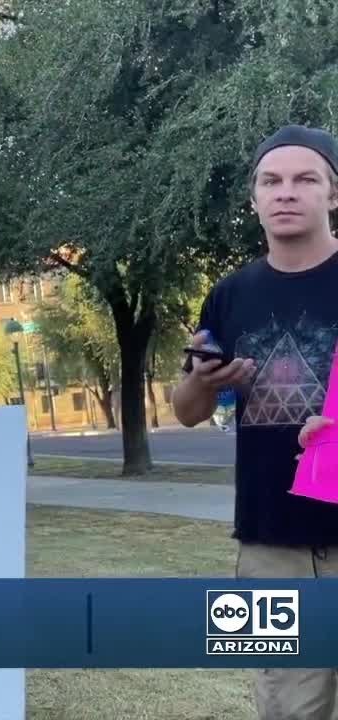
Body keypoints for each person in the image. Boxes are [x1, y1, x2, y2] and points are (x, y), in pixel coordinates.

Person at [173, 123, 338, 720]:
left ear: (333, 194)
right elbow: (187, 413)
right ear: (255, 199)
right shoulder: (227, 295)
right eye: (271, 181)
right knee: (283, 707)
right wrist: (201, 382)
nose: (286, 192)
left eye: (304, 179)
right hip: (265, 541)